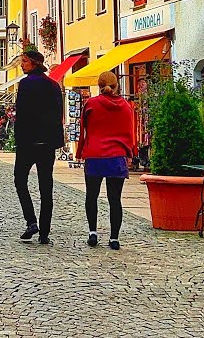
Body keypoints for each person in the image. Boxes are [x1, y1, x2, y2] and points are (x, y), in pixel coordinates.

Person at [76, 71, 135, 250]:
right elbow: (130, 132)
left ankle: (92, 233)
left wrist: (80, 151)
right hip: (116, 157)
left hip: (94, 155)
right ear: (116, 86)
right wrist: (130, 153)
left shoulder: (91, 104)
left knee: (91, 196)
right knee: (115, 199)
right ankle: (114, 238)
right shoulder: (126, 106)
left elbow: (83, 129)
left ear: (99, 85)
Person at [13, 50, 65, 245]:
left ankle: (31, 221)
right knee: (46, 188)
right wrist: (55, 140)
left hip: (28, 143)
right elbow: (58, 115)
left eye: (24, 61)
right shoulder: (53, 85)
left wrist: (19, 140)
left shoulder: (25, 84)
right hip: (47, 145)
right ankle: (44, 233)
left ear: (34, 63)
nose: (21, 65)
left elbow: (21, 115)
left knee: (20, 181)